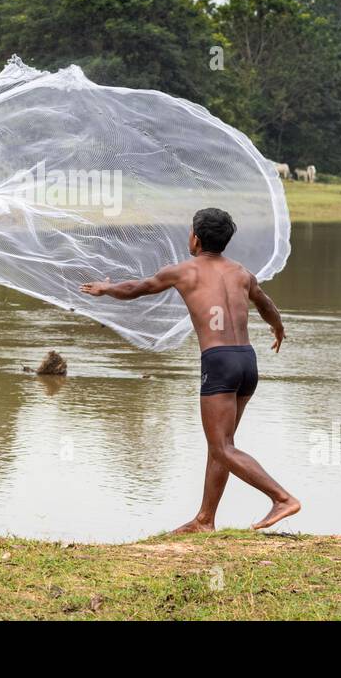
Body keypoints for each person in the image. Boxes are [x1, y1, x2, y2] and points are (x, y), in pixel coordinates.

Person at [80, 207, 301, 532]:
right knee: (223, 443)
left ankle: (281, 498)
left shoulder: (184, 272)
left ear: (195, 238)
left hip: (219, 362)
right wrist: (278, 328)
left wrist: (106, 288)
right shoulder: (241, 273)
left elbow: (136, 289)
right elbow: (265, 303)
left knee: (221, 447)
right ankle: (205, 520)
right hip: (247, 361)